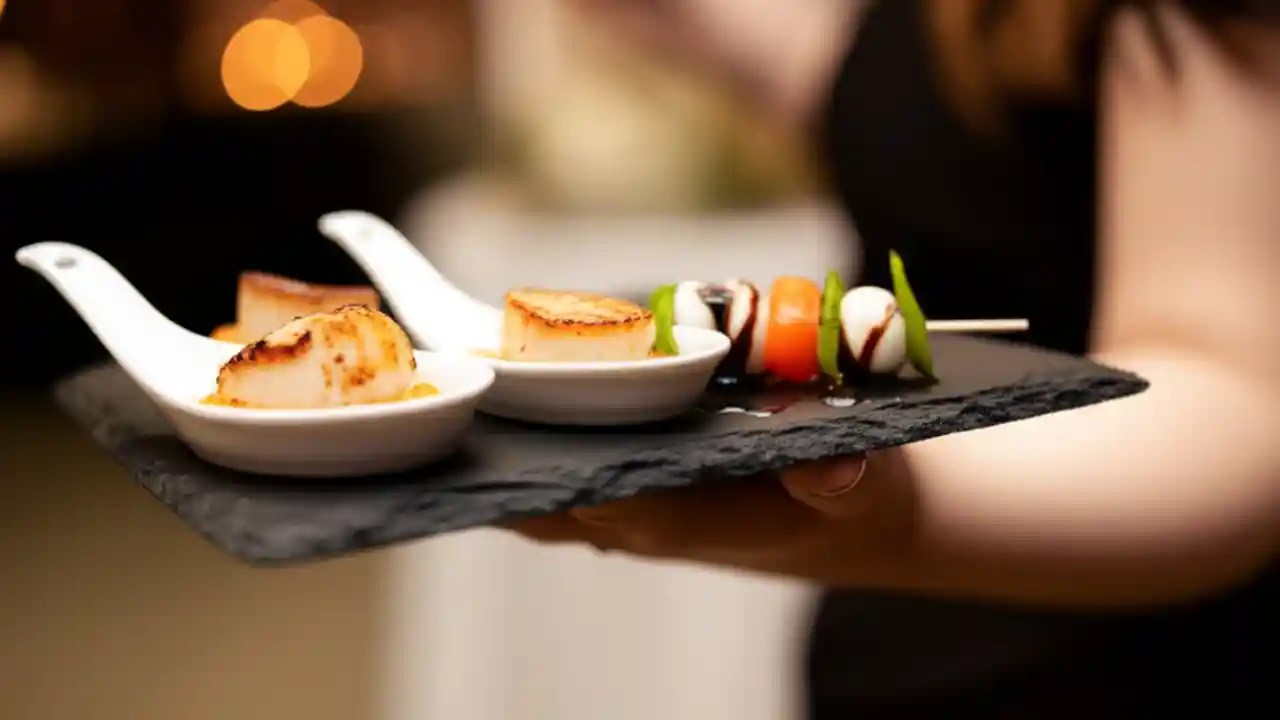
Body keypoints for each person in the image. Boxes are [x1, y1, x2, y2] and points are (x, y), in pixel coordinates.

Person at [514, 0, 1280, 715]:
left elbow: (1240, 392)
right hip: (887, 664)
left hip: (1111, 671)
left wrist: (901, 492)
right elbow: (960, 136)